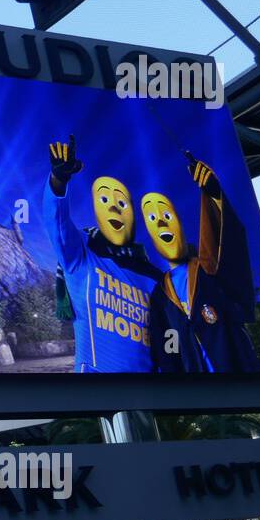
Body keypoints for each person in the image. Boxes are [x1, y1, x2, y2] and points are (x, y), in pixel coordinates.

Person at [43, 135, 159, 372]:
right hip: (95, 396)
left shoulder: (155, 276)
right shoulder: (81, 254)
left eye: (122, 203)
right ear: (96, 210)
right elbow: (58, 224)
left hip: (148, 395)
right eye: (105, 199)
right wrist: (59, 180)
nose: (114, 206)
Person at [142, 153, 260, 373]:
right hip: (199, 394)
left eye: (166, 215)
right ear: (150, 235)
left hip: (240, 381)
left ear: (180, 224)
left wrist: (215, 195)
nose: (160, 220)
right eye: (151, 218)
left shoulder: (210, 269)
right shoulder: (160, 296)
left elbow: (233, 250)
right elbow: (166, 347)